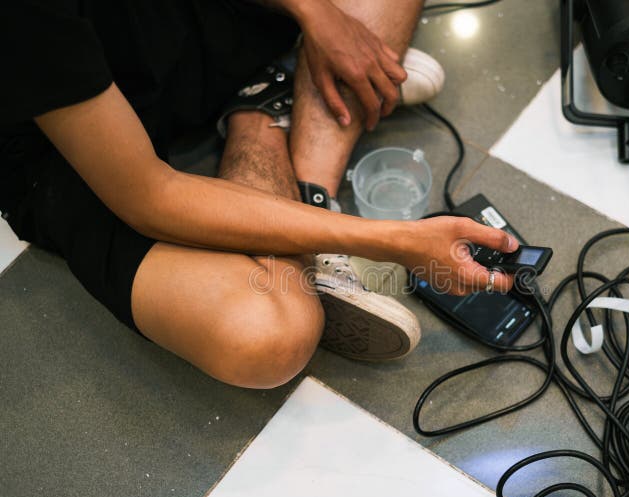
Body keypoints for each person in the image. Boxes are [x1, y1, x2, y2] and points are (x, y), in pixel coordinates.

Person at [0, 0, 518, 389]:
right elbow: (151, 196)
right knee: (267, 338)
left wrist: (313, 12)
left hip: (182, 26)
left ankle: (272, 117)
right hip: (69, 145)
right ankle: (276, 114)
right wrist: (395, 241)